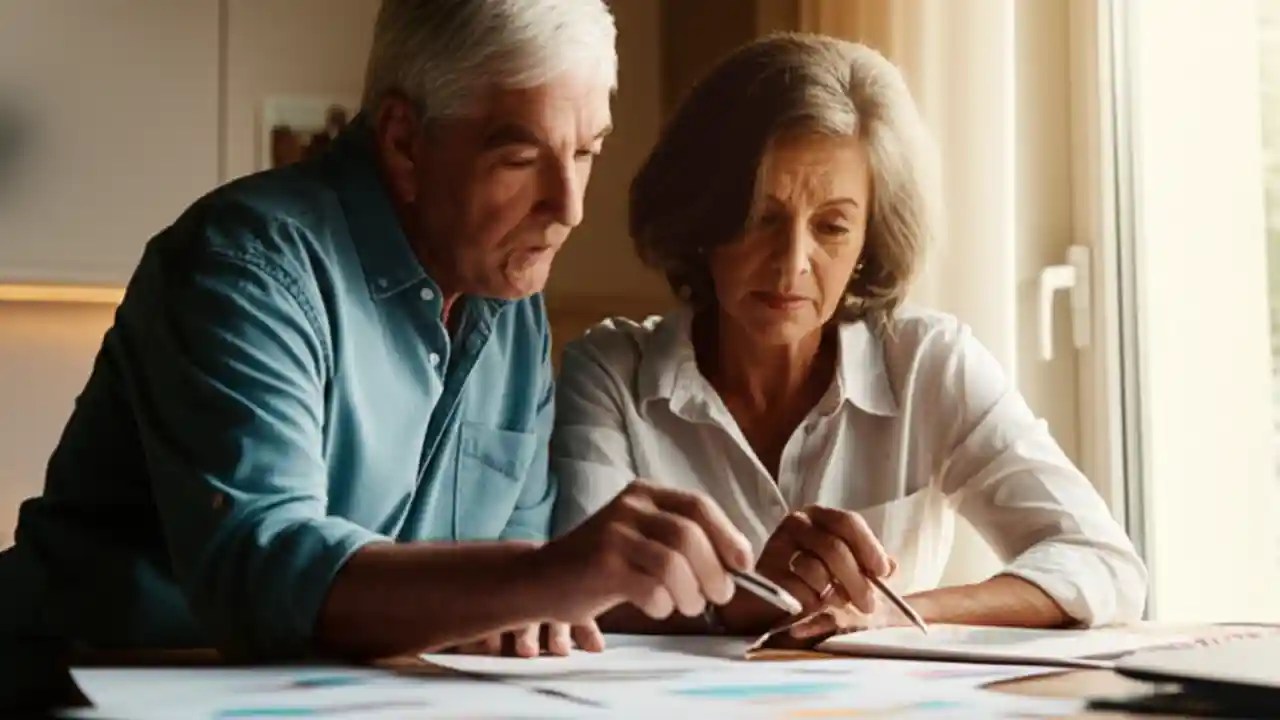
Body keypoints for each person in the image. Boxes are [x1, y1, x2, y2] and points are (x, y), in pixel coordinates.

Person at [0, 0, 754, 683]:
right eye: (521, 159)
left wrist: (551, 600)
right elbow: (262, 573)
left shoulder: (509, 301)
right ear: (403, 140)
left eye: (586, 152)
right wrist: (540, 578)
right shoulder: (244, 266)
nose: (569, 207)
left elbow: (515, 585)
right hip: (77, 687)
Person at [551, 34, 1148, 640]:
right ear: (703, 217)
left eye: (832, 226)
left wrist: (895, 614)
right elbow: (574, 594)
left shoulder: (928, 363)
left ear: (870, 240)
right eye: (761, 218)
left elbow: (1103, 563)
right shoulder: (612, 375)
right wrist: (737, 605)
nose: (792, 264)